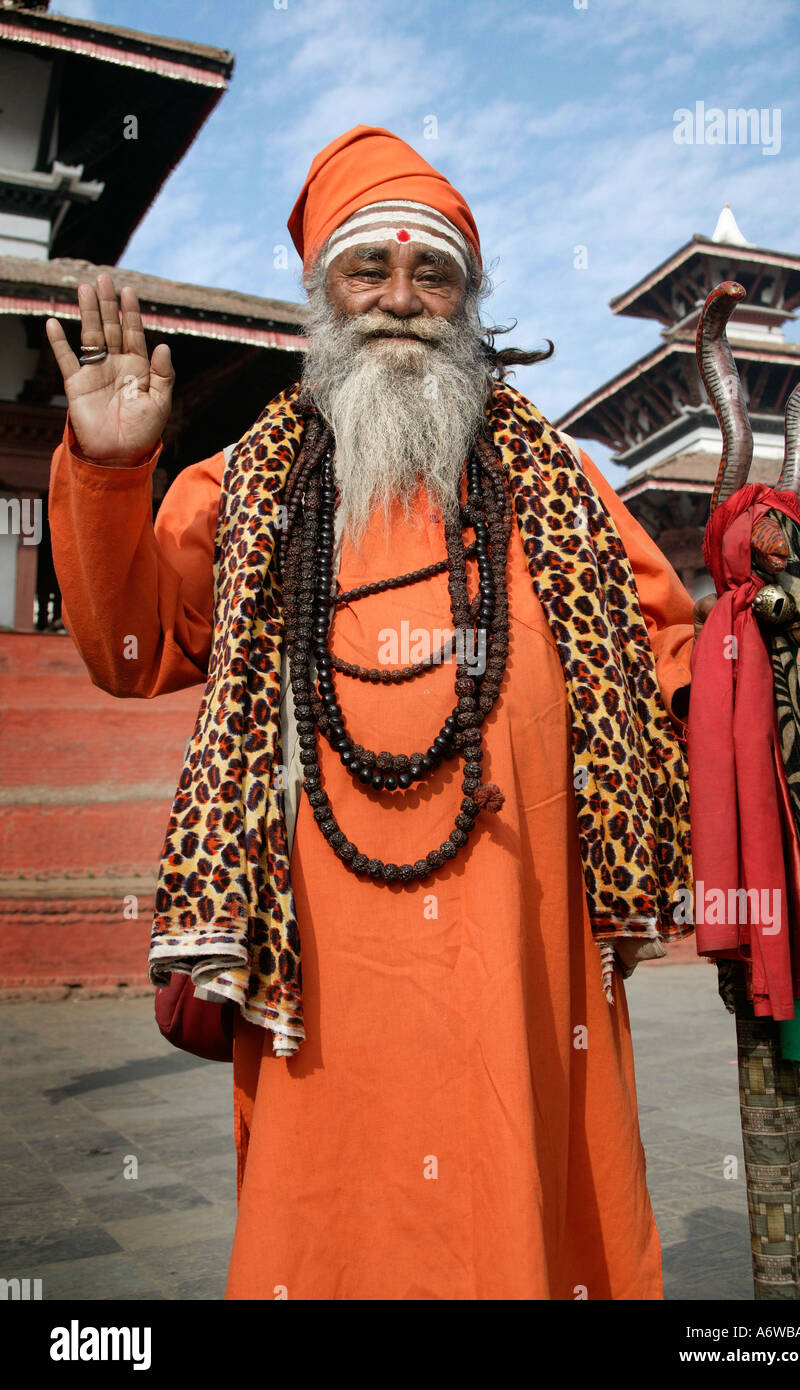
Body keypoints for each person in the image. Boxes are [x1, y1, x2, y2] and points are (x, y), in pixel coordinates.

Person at [47, 126, 702, 1301]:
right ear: (320, 294)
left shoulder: (561, 485)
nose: (401, 298)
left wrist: (775, 608)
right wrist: (108, 473)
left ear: (468, 301)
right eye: (369, 269)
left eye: (432, 272)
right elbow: (130, 650)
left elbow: (687, 661)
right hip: (328, 999)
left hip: (528, 974)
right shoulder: (244, 482)